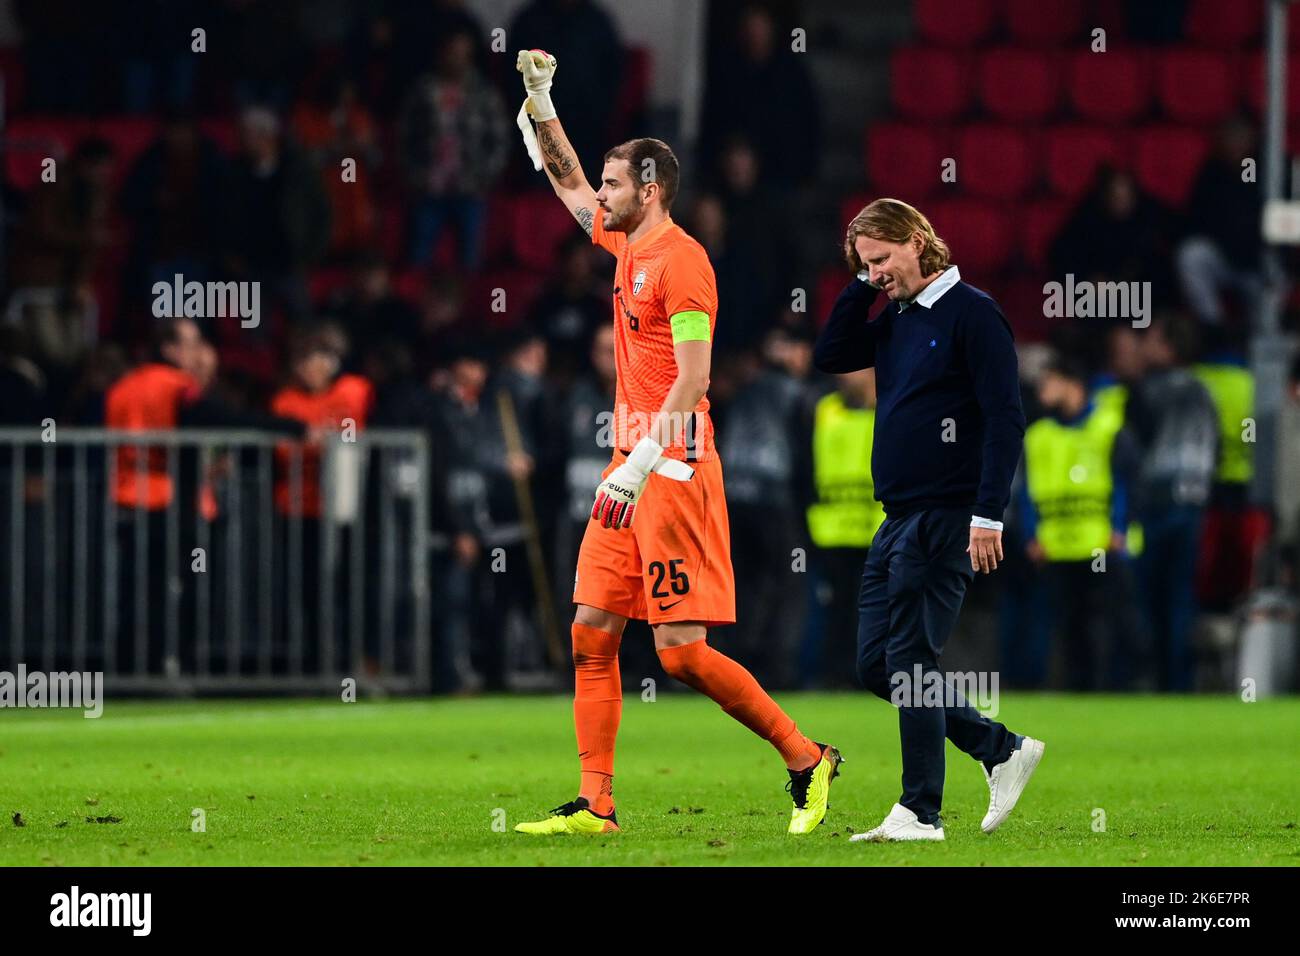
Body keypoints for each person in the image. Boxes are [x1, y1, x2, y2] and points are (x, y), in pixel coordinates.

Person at [511, 49, 840, 836]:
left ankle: (806, 757)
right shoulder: (627, 246)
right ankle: (597, 804)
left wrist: (640, 469)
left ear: (649, 190)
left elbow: (694, 382)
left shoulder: (684, 264)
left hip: (675, 467)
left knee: (682, 654)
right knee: (591, 630)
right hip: (632, 464)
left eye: (615, 185)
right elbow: (565, 181)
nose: (602, 197)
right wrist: (540, 96)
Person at [815, 198, 1041, 842]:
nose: (875, 273)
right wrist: (864, 287)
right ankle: (998, 747)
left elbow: (1005, 418)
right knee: (874, 666)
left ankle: (921, 810)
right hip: (897, 517)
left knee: (911, 658)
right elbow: (831, 353)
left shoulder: (973, 312)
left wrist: (988, 514)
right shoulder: (897, 319)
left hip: (948, 512)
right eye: (864, 265)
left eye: (882, 259)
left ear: (918, 241)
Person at [1018, 356, 1143, 691]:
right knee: (1069, 628)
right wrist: (1031, 534)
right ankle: (1079, 690)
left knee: (1113, 624)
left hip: (1101, 544)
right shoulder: (1038, 435)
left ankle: (1121, 688)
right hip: (1057, 546)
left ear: (1072, 383)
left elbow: (1125, 483)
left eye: (1049, 382)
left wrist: (1118, 529)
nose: (1041, 391)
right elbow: (1027, 491)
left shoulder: (1109, 428)